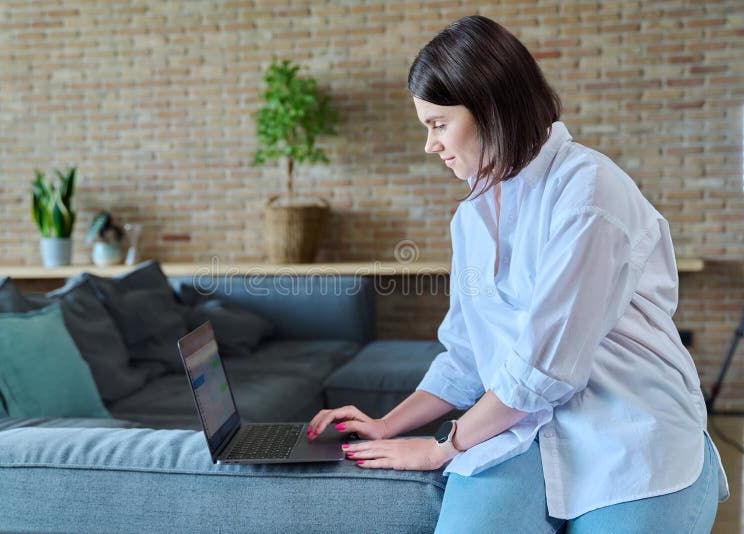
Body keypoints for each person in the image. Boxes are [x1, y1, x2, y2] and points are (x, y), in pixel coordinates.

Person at [307, 14, 730, 533]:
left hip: (631, 440)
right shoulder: (472, 217)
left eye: (438, 124)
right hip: (520, 433)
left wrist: (443, 445)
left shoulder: (589, 194)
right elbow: (467, 355)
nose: (431, 144)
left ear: (489, 107)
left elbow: (543, 366)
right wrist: (386, 425)